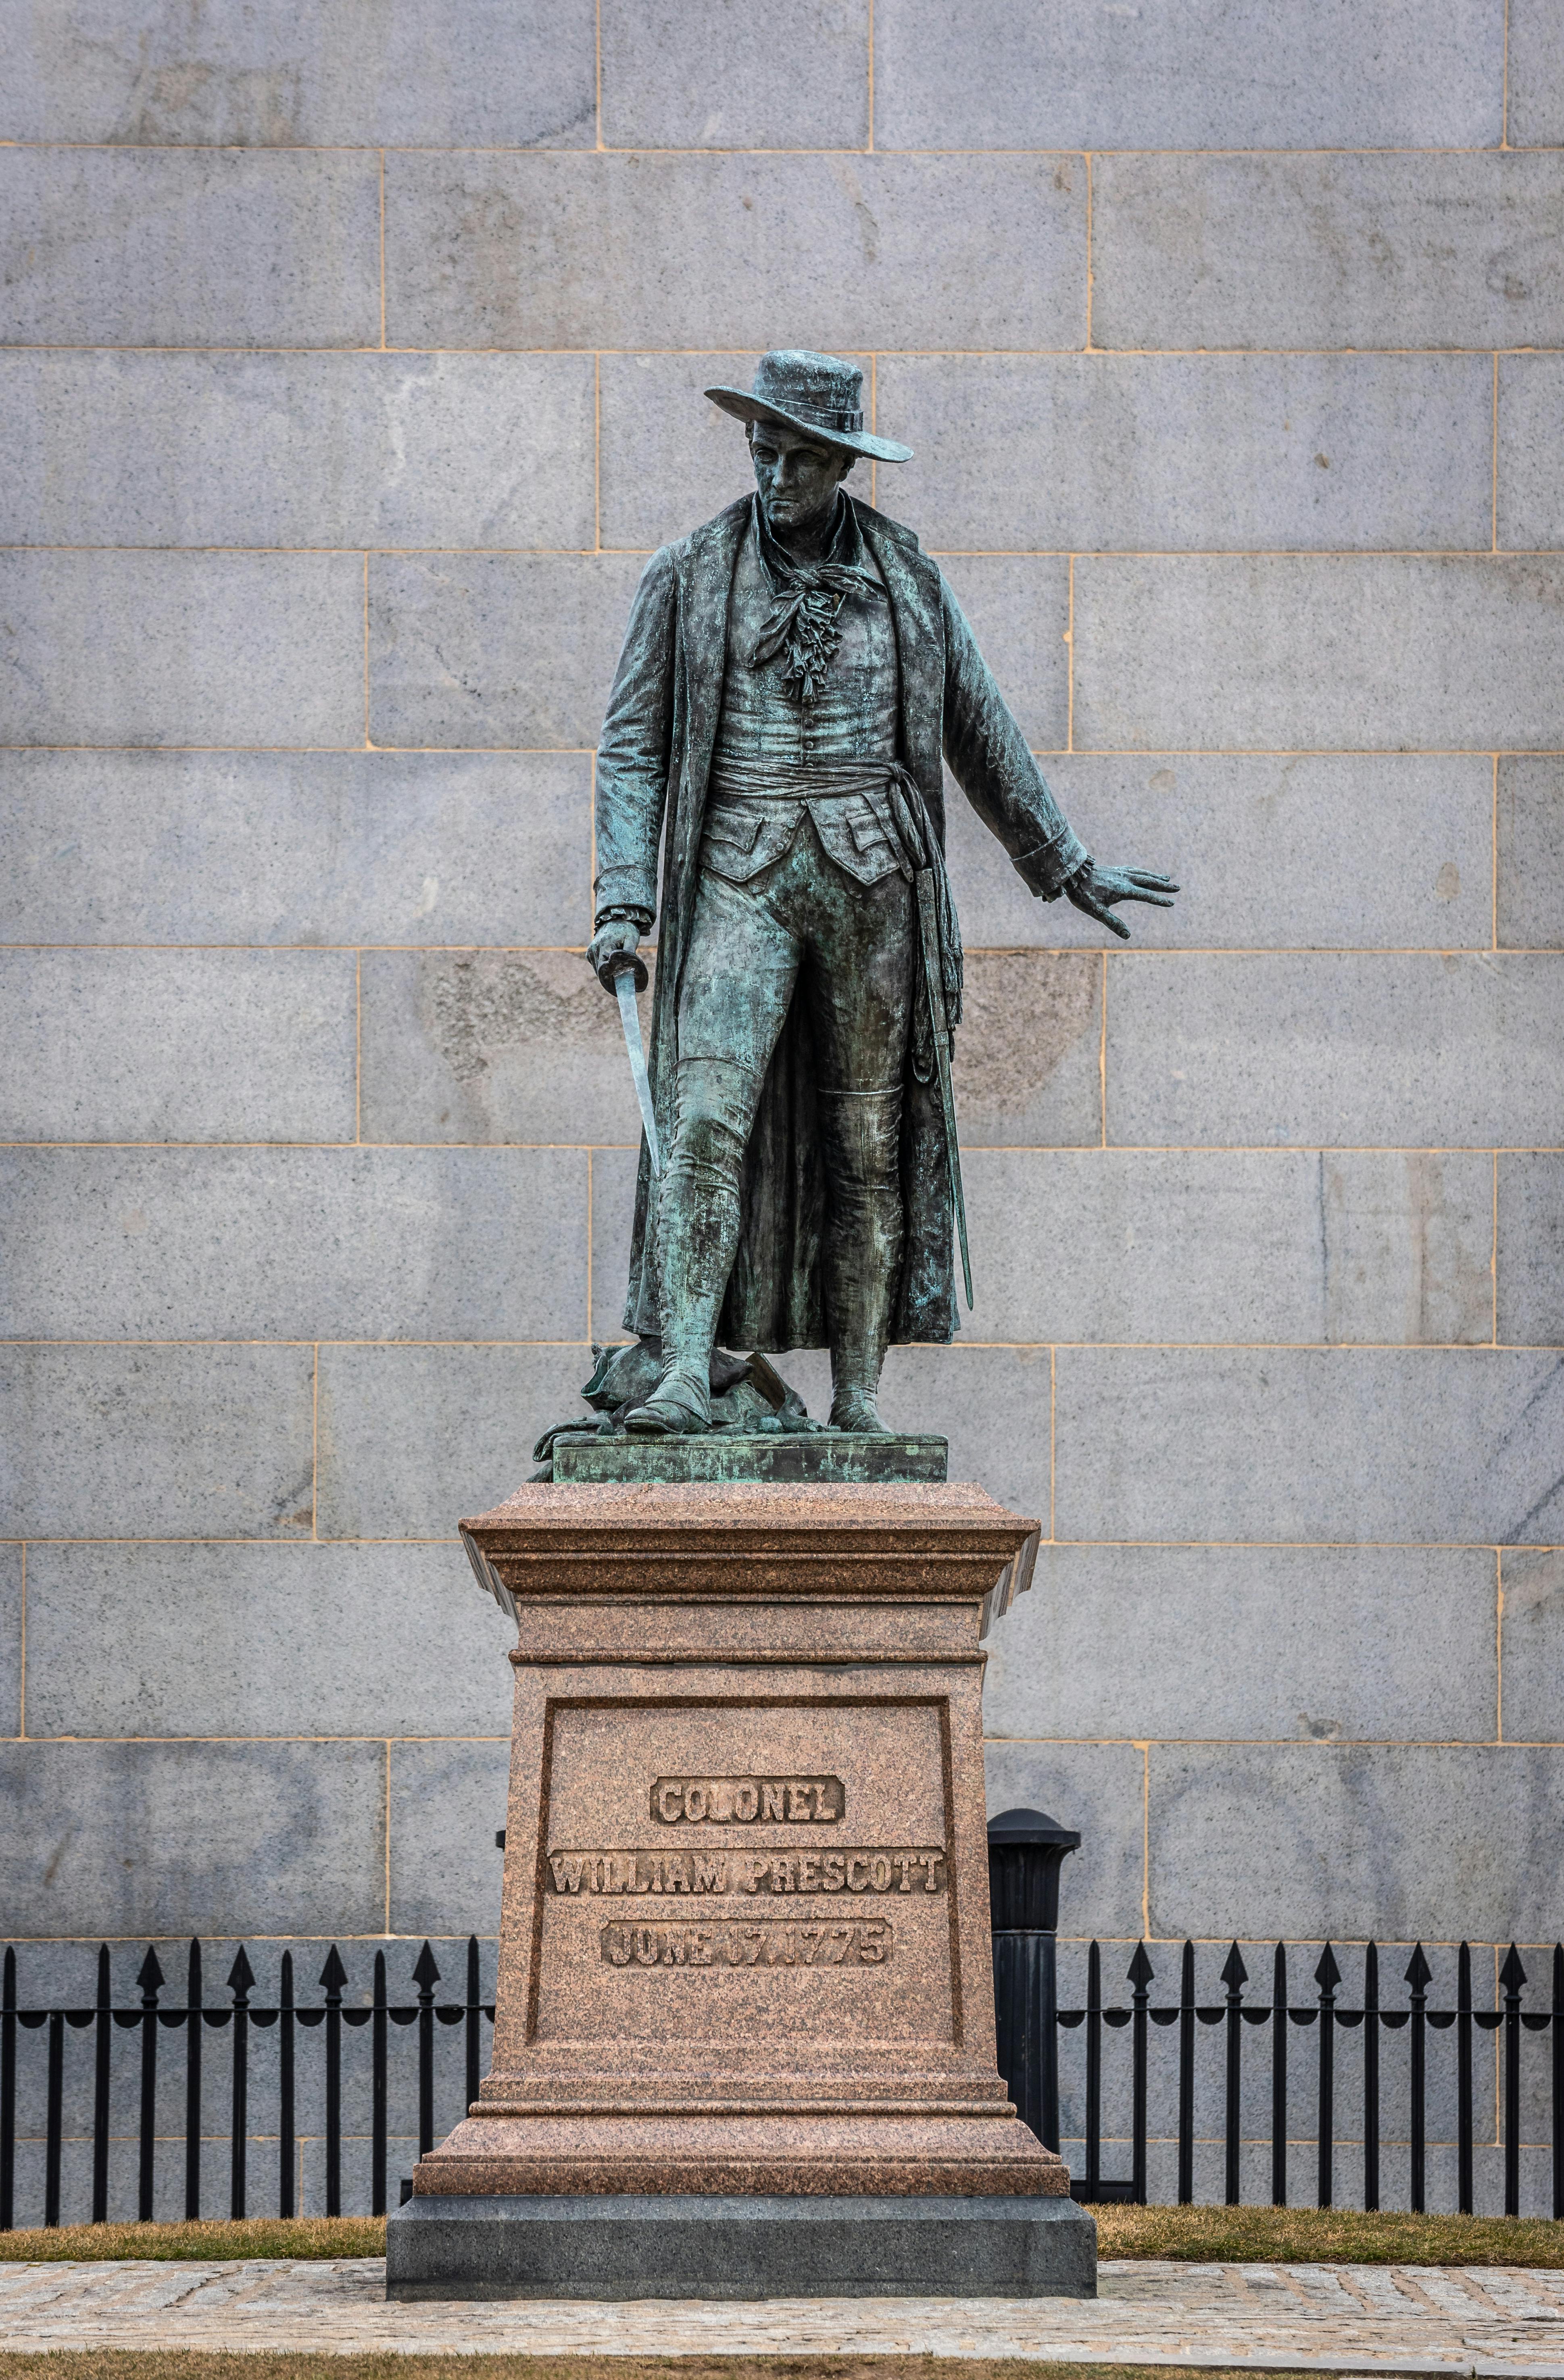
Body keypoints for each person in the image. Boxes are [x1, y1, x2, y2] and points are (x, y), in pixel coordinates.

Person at [586, 350, 1176, 1437]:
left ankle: (860, 1398)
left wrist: (1067, 864)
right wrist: (624, 894)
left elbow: (979, 727)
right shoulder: (687, 573)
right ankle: (680, 1368)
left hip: (874, 882)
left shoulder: (907, 577)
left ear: (844, 465)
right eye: (764, 456)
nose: (777, 482)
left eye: (801, 462)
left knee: (868, 1144)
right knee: (705, 1115)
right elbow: (633, 747)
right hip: (737, 874)